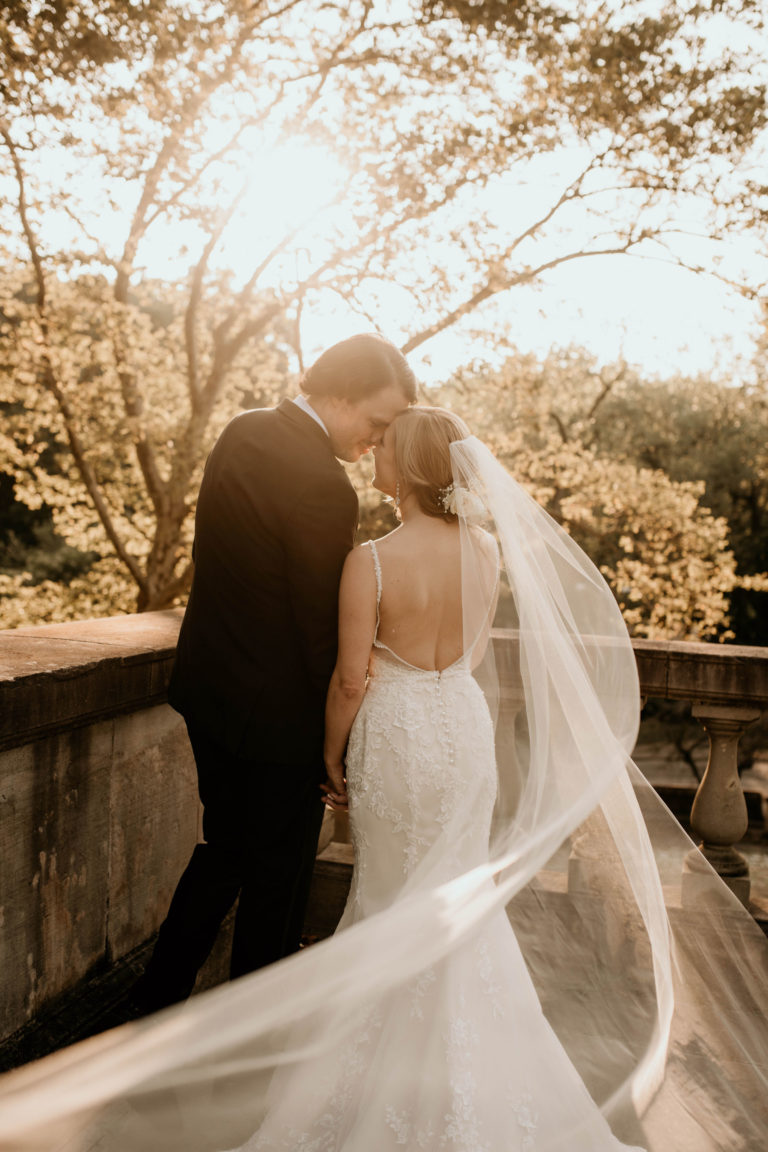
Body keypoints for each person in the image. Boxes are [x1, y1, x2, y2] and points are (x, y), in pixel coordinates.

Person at [1, 409, 767, 1152]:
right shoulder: (489, 551)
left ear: (411, 468)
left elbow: (347, 680)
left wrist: (331, 757)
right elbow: (466, 658)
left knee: (392, 893)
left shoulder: (368, 560)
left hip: (397, 738)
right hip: (458, 728)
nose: (372, 456)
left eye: (386, 448)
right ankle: (478, 1077)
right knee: (451, 898)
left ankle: (378, 1083)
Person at [134, 333, 416, 1014]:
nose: (378, 440)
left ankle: (153, 1007)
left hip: (210, 690)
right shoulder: (323, 486)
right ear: (338, 393)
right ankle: (255, 1036)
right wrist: (337, 739)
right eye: (376, 422)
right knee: (277, 880)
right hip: (280, 717)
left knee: (224, 850)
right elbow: (321, 630)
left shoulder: (243, 431)